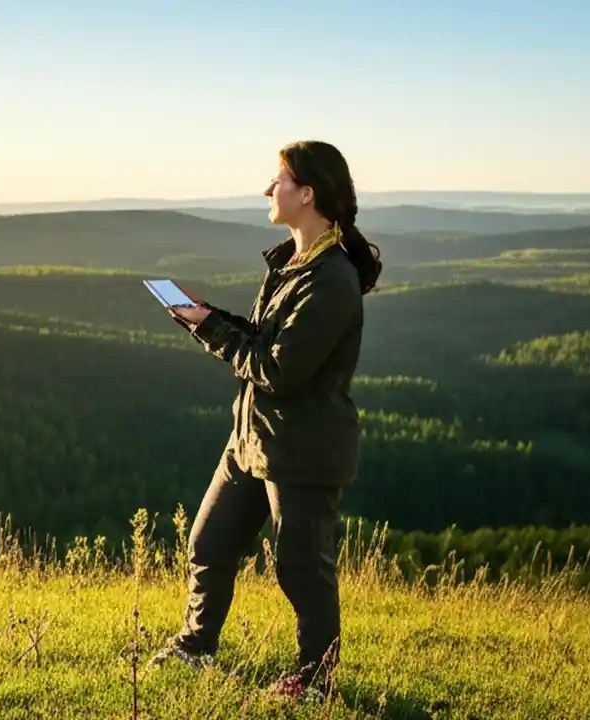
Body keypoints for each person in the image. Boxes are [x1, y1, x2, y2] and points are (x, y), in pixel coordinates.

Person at [149, 140, 383, 699]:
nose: (267, 189)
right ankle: (194, 648)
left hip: (301, 451)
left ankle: (314, 682)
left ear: (308, 193)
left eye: (278, 179)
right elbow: (262, 337)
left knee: (303, 570)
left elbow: (277, 369)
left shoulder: (330, 280)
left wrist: (208, 330)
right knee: (209, 542)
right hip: (252, 440)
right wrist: (207, 316)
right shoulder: (293, 262)